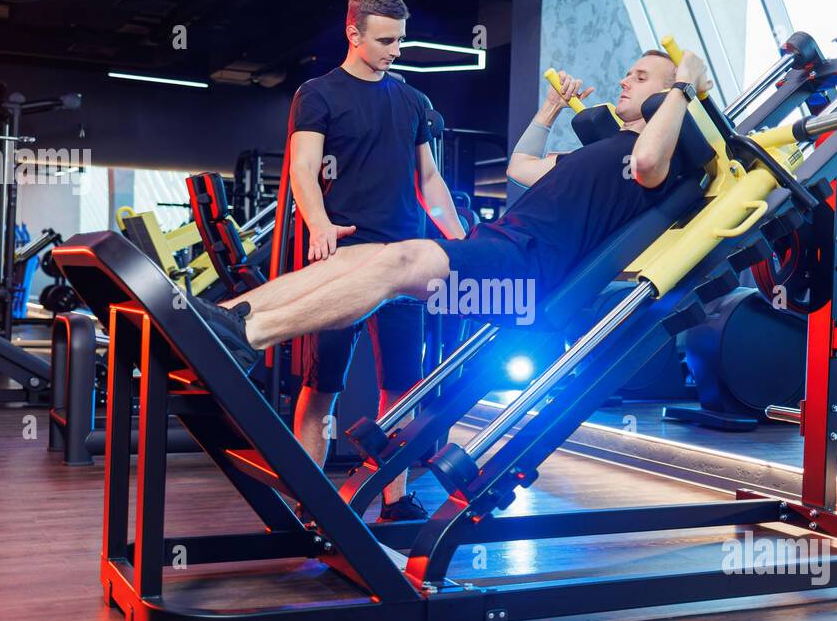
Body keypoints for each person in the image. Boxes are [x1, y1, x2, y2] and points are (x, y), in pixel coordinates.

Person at [196, 46, 711, 459]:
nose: (625, 80)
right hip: (499, 249)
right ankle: (229, 318)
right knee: (355, 257)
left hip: (526, 275)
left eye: (640, 77)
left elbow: (648, 156)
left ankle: (249, 337)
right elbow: (520, 165)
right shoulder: (595, 155)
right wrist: (550, 110)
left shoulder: (652, 163)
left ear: (665, 100)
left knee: (401, 260)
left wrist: (685, 85)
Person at [278, 0, 466, 522]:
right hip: (346, 261)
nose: (395, 50)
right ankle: (308, 504)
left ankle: (395, 498)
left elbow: (430, 180)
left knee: (401, 388)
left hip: (405, 261)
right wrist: (318, 225)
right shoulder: (317, 94)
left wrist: (458, 240)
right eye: (385, 40)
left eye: (400, 40)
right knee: (322, 385)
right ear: (353, 33)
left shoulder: (410, 99)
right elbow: (303, 172)